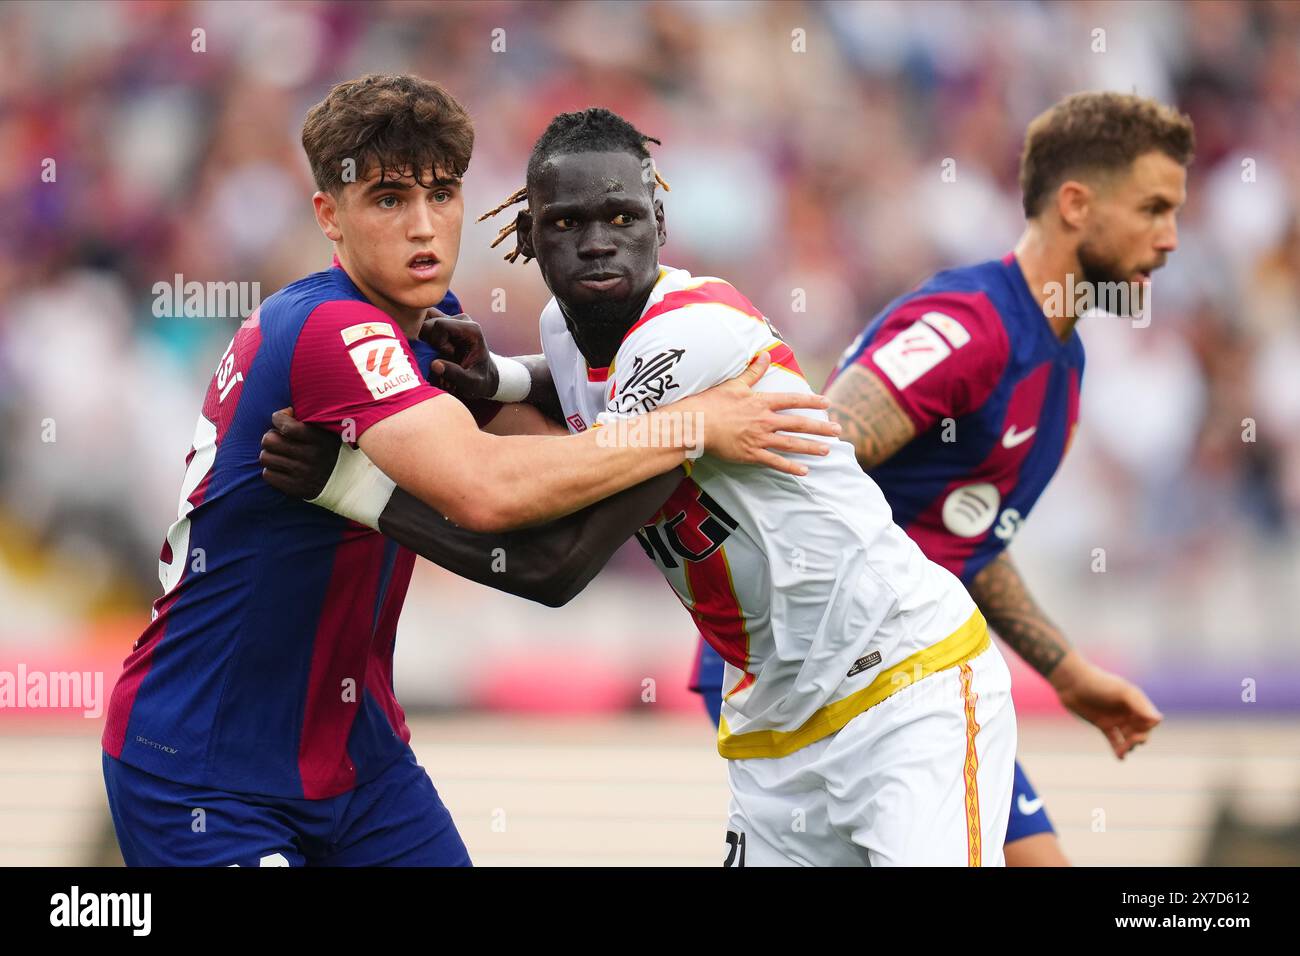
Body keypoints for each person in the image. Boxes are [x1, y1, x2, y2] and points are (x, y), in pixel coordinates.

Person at [100, 75, 836, 867]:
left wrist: (615, 406)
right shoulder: (331, 330)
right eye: (388, 200)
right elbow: (488, 489)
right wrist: (692, 423)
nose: (424, 226)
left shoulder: (424, 317)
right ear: (329, 217)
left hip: (359, 759)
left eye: (442, 194)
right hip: (207, 772)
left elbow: (553, 464)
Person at [265, 107, 1018, 866]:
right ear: (529, 238)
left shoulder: (688, 336)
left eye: (623, 216)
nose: (597, 243)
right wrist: (499, 379)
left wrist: (350, 488)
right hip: (774, 719)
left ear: (659, 222)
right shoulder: (570, 327)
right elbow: (582, 386)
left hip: (901, 685)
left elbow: (553, 565)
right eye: (565, 224)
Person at [801, 90, 1186, 865]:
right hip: (837, 678)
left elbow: (959, 536)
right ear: (1076, 204)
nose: (1171, 239)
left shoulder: (1063, 360)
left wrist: (1067, 672)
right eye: (1152, 208)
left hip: (921, 672)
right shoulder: (973, 326)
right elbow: (816, 450)